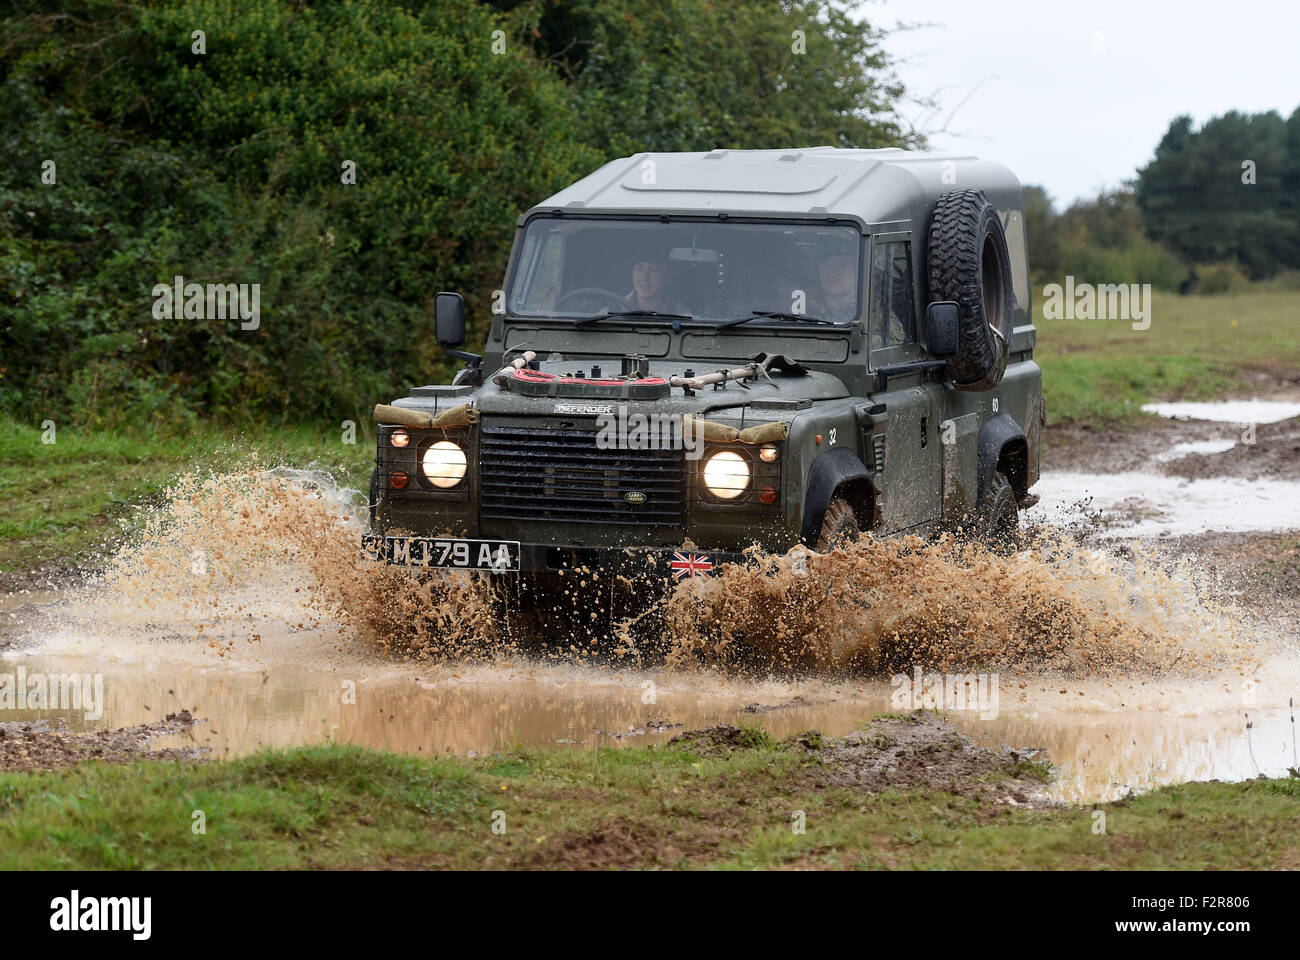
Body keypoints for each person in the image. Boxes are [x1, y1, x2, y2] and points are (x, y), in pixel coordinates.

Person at [808, 236, 859, 324]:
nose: (832, 272)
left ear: (856, 267)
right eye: (825, 264)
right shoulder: (801, 304)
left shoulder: (873, 306)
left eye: (841, 264)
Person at [624, 252, 690, 314]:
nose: (645, 278)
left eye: (653, 270)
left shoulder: (681, 313)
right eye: (639, 269)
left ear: (668, 277)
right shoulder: (618, 309)